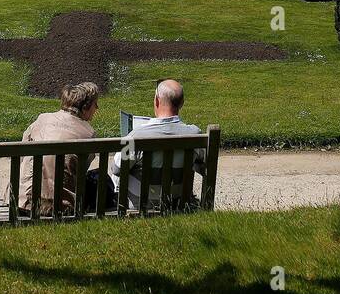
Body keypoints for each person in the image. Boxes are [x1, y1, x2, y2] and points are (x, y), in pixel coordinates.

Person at [110, 79, 205, 211]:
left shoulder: (134, 136)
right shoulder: (195, 134)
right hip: (178, 206)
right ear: (182, 103)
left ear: (156, 101)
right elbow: (205, 167)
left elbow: (117, 169)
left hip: (140, 207)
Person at [17, 82, 108, 217]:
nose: (97, 108)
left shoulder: (42, 119)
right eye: (95, 104)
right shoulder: (88, 133)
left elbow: (23, 152)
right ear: (85, 106)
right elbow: (80, 170)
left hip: (23, 201)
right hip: (61, 206)